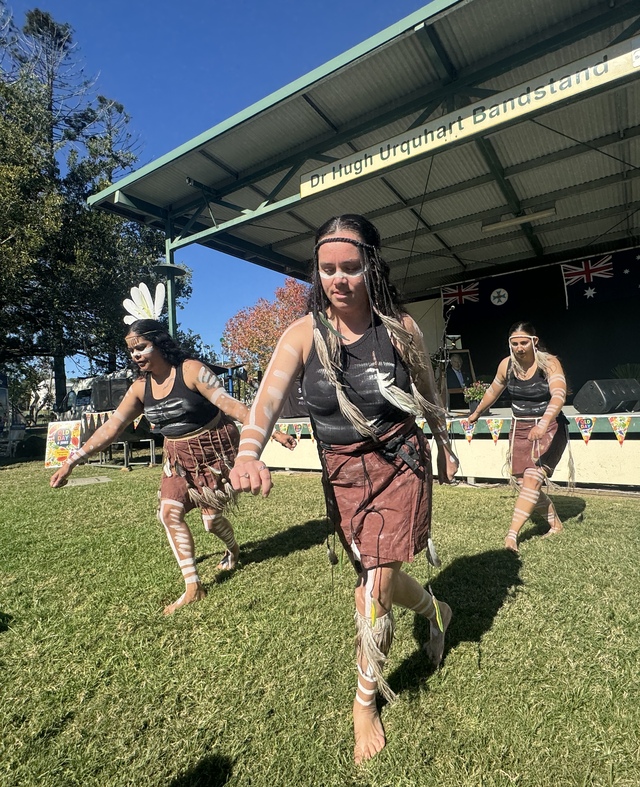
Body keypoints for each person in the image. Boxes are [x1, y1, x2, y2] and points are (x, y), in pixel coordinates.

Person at [228, 214, 459, 765]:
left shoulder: (400, 326)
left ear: (371, 267)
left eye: (350, 267)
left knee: (374, 586)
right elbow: (267, 399)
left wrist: (445, 443)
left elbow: (428, 391)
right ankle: (435, 610)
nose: (338, 279)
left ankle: (364, 703)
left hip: (399, 460)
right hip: (342, 476)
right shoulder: (302, 333)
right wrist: (246, 452)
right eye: (327, 269)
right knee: (381, 578)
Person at [50, 319, 295, 614]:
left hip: (214, 452)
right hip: (178, 458)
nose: (136, 354)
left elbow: (230, 405)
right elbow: (112, 428)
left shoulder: (191, 370)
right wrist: (72, 462)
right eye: (132, 350)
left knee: (211, 523)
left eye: (141, 346)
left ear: (160, 343)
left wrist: (274, 430)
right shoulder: (141, 388)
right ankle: (193, 587)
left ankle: (233, 549)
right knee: (169, 512)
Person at [468, 321, 568, 552]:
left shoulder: (550, 363)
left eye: (524, 342)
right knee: (526, 483)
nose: (519, 347)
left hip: (550, 427)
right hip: (520, 429)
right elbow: (494, 390)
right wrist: (476, 412)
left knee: (533, 478)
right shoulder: (507, 365)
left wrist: (543, 424)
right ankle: (555, 525)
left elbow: (559, 395)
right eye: (515, 343)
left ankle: (511, 536)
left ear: (534, 342)